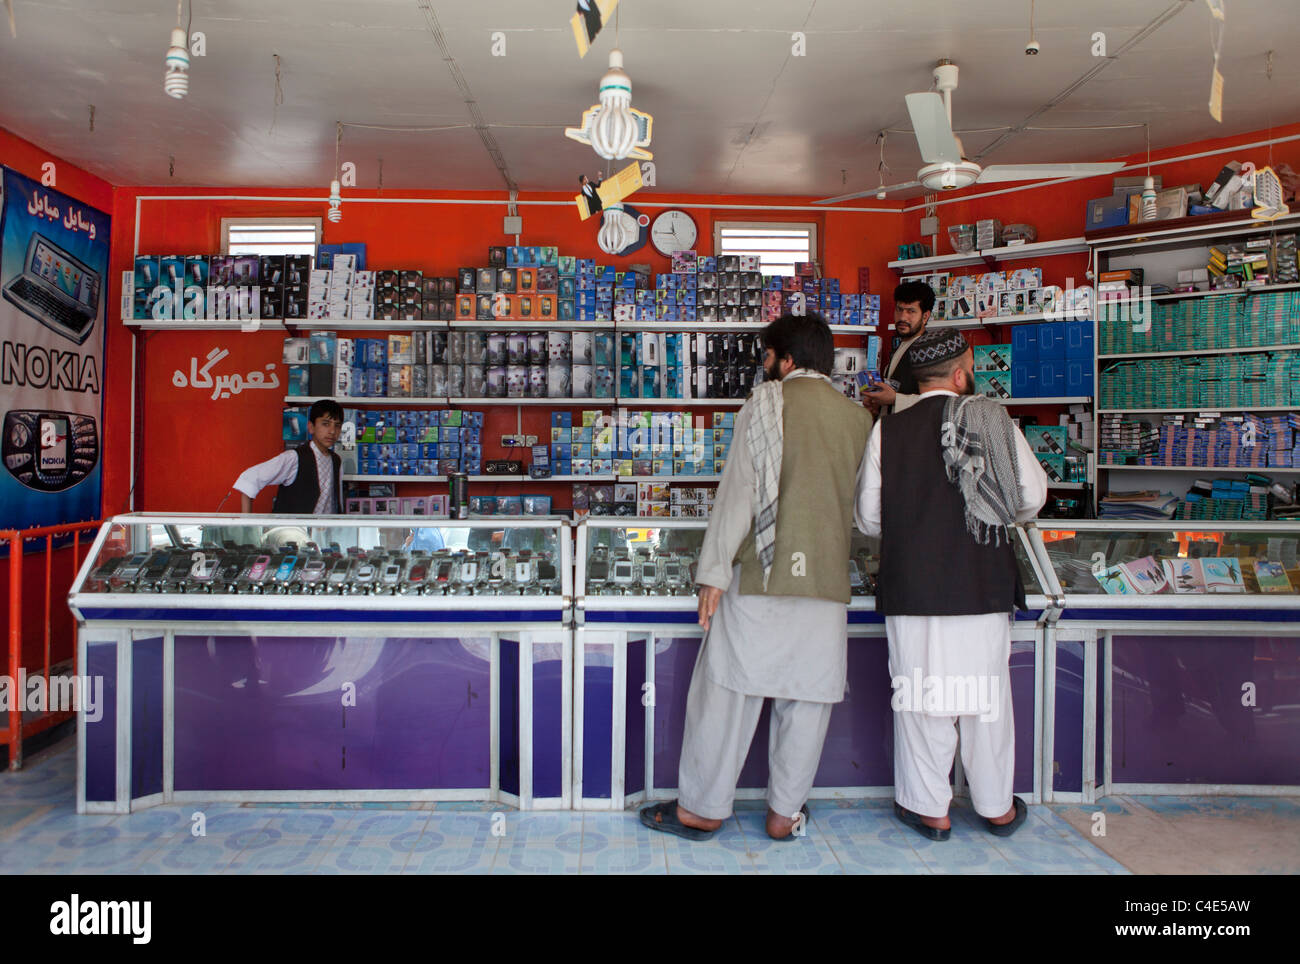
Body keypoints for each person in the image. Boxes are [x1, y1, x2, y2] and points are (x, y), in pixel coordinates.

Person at [640, 313, 873, 841]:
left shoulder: (766, 404)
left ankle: (702, 809)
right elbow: (865, 514)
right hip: (827, 579)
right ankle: (784, 815)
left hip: (761, 575)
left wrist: (713, 573)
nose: (763, 367)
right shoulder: (858, 418)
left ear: (786, 360)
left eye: (767, 357)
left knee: (726, 693)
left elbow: (738, 493)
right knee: (807, 702)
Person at [853, 327, 1048, 841]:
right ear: (961, 374)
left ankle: (931, 811)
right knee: (986, 699)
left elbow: (869, 519)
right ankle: (996, 808)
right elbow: (1031, 497)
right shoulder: (991, 420)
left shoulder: (888, 430)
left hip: (913, 586)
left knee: (919, 698)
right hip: (981, 581)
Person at [234, 399, 344, 514]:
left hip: (325, 530)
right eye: (325, 424)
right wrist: (247, 524)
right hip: (293, 530)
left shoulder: (336, 461)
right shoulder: (294, 458)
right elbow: (249, 479)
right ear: (311, 427)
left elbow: (335, 503)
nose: (332, 431)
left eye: (337, 426)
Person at [861, 280, 935, 417]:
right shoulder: (901, 346)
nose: (902, 317)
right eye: (899, 309)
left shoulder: (930, 353)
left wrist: (895, 399)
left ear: (925, 316)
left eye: (911, 311)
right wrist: (879, 403)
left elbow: (938, 403)